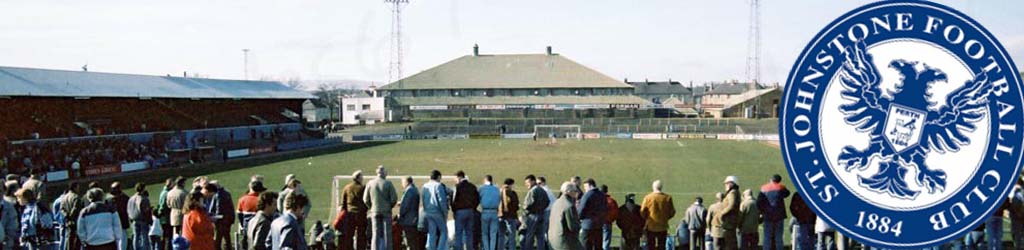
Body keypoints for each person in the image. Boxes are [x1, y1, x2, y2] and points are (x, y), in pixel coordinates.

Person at [364, 166, 398, 250]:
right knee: (387, 234)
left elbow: (365, 199)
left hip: (375, 211)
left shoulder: (370, 183)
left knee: (375, 233)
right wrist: (389, 206)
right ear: (384, 173)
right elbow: (394, 198)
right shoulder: (388, 183)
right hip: (386, 211)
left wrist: (371, 207)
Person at [756, 174, 790, 250]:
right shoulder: (780, 187)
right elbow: (787, 193)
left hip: (767, 216)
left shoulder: (764, 188)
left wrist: (761, 212)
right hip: (779, 216)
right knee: (778, 237)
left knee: (767, 237)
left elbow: (759, 202)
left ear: (771, 179)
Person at [641, 180, 676, 250]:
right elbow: (672, 212)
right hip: (663, 226)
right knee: (662, 246)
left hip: (651, 226)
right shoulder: (667, 198)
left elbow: (642, 212)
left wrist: (647, 219)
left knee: (651, 246)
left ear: (653, 187)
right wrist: (665, 218)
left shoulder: (648, 198)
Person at [449, 171, 479, 250]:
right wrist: (473, 208)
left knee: (459, 233)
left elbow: (453, 200)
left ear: (459, 177)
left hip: (460, 212)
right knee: (469, 233)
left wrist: (454, 210)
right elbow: (477, 199)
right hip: (470, 211)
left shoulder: (457, 187)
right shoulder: (472, 186)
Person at [548, 182, 582, 250]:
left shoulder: (556, 203)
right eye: (575, 191)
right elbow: (572, 227)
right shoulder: (569, 206)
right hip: (564, 243)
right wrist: (580, 224)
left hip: (552, 240)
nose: (576, 193)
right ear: (569, 191)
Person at [421, 170, 449, 250]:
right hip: (437, 212)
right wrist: (445, 213)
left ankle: (431, 248)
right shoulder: (438, 186)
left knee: (432, 232)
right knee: (444, 231)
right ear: (438, 177)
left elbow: (423, 199)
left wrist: (426, 210)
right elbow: (441, 201)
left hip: (428, 212)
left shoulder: (425, 185)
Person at [341, 171, 368, 250]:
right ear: (358, 178)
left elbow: (343, 202)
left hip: (350, 214)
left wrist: (345, 212)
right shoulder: (363, 188)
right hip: (361, 214)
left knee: (349, 234)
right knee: (361, 234)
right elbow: (366, 201)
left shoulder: (347, 187)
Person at [203, 183, 235, 250]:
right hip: (228, 219)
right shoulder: (227, 193)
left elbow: (218, 208)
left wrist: (214, 217)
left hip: (220, 220)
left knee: (218, 238)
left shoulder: (218, 195)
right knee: (227, 237)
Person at [522, 175, 550, 250]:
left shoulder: (532, 191)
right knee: (540, 237)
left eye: (528, 182)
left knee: (530, 236)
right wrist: (541, 208)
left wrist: (526, 212)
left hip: (533, 216)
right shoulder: (542, 190)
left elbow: (527, 205)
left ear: (533, 181)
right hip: (541, 215)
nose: (526, 184)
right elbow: (547, 201)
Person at [238, 180, 268, 250]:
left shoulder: (242, 199)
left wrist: (243, 226)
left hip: (247, 229)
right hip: (259, 228)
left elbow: (240, 216)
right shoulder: (261, 200)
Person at [578, 179, 607, 250]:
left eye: (585, 187)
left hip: (587, 226)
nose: (585, 189)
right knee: (598, 246)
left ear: (590, 185)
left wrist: (579, 218)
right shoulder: (602, 195)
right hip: (599, 225)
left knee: (586, 246)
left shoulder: (587, 195)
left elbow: (581, 209)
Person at [712, 176, 740, 250]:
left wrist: (722, 213)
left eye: (727, 183)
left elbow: (731, 205)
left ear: (732, 183)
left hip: (729, 222)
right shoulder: (734, 192)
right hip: (730, 221)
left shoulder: (732, 193)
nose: (726, 185)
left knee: (730, 244)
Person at [128, 183, 154, 250]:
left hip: (134, 220)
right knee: (145, 236)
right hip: (143, 220)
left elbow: (128, 209)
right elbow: (146, 211)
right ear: (143, 189)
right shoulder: (143, 199)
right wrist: (150, 221)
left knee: (136, 236)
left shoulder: (131, 198)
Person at [60, 182, 85, 250]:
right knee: (77, 240)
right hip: (76, 221)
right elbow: (76, 208)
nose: (78, 189)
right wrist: (71, 216)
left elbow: (62, 209)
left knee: (69, 239)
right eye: (77, 187)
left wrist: (66, 216)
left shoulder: (64, 197)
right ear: (75, 187)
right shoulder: (76, 197)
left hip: (68, 222)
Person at [398, 177, 421, 250]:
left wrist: (400, 216)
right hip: (413, 219)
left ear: (407, 182)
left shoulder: (409, 191)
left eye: (403, 182)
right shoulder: (414, 190)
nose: (402, 184)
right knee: (413, 241)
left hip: (408, 220)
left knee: (409, 241)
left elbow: (405, 206)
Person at [478, 175, 500, 250]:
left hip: (485, 212)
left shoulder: (481, 189)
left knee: (485, 234)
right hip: (494, 212)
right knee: (493, 234)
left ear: (485, 180)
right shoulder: (496, 189)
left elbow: (478, 199)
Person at [497, 178, 519, 250]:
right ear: (511, 184)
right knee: (511, 236)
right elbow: (516, 205)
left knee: (501, 236)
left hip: (500, 216)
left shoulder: (499, 192)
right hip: (511, 216)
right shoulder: (512, 193)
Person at [109, 182, 131, 250]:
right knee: (122, 241)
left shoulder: (108, 199)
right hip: (119, 223)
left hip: (117, 224)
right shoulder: (124, 197)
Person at [156, 178, 175, 250]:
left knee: (165, 235)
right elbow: (163, 206)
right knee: (168, 235)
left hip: (163, 218)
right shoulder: (167, 193)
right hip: (166, 218)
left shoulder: (163, 192)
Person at [601, 185, 618, 250]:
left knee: (597, 242)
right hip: (607, 223)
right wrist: (611, 220)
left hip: (597, 223)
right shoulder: (611, 201)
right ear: (607, 191)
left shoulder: (596, 200)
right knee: (606, 242)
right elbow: (615, 213)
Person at [1010, 181, 1024, 250]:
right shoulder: (1020, 195)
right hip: (1019, 218)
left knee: (1017, 236)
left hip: (1017, 219)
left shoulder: (1017, 195)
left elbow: (1015, 208)